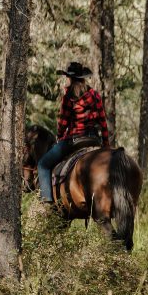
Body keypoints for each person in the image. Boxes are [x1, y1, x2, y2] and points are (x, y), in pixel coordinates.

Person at [38, 61, 110, 204]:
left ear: (70, 78)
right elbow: (103, 123)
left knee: (43, 164)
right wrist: (106, 144)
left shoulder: (69, 97)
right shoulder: (95, 95)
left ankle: (46, 201)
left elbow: (63, 123)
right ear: (83, 78)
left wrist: (59, 136)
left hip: (74, 140)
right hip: (94, 139)